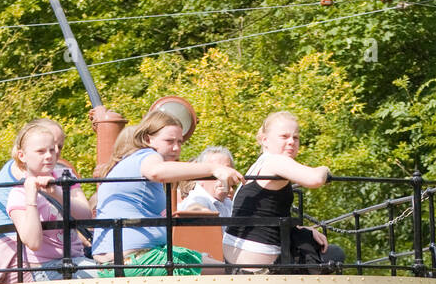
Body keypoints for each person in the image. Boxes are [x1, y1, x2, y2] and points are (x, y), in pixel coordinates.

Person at [91, 111, 242, 275]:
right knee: (224, 274)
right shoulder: (146, 155)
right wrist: (213, 168)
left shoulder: (134, 160)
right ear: (149, 139)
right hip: (133, 261)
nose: (176, 148)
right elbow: (156, 171)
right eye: (169, 141)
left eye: (180, 142)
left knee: (210, 263)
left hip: (136, 258)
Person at [223, 110, 345, 271]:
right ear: (265, 140)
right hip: (255, 267)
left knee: (313, 244)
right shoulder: (276, 161)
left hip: (235, 260)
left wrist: (300, 229)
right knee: (335, 255)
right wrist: (325, 169)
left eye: (296, 137)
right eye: (284, 136)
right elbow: (315, 179)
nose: (291, 142)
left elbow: (265, 213)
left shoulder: (258, 165)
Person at [0, 124, 95, 282]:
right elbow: (34, 243)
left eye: (52, 149)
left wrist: (57, 193)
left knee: (118, 273)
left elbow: (86, 216)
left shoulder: (66, 176)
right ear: (22, 155)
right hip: (45, 268)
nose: (49, 156)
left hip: (77, 259)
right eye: (41, 151)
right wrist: (31, 198)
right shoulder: (18, 194)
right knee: (108, 276)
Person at [177, 146, 236, 218]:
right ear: (199, 176)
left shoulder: (228, 203)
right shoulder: (197, 200)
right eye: (216, 171)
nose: (223, 177)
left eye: (226, 170)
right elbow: (194, 208)